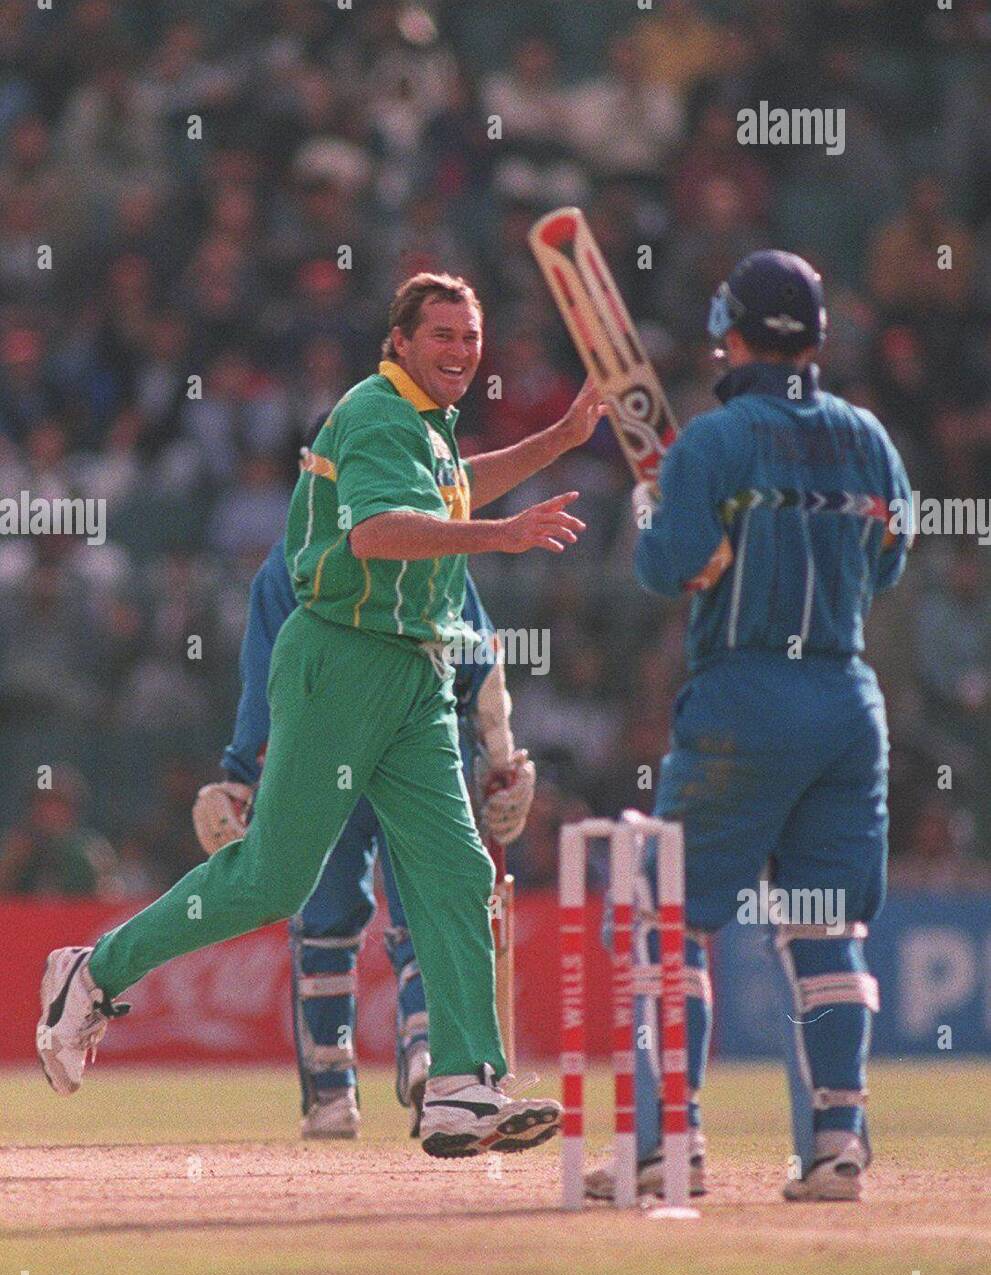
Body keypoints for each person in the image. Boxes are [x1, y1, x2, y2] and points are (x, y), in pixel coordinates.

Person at [37, 271, 602, 1161]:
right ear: (401, 342)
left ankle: (460, 1086)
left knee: (454, 869)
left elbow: (454, 484)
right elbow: (378, 532)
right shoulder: (379, 413)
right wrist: (502, 537)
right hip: (342, 657)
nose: (460, 350)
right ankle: (93, 971)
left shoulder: (423, 425)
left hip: (413, 671)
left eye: (470, 336)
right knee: (273, 881)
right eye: (442, 335)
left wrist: (563, 437)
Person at [588, 251, 911, 1202]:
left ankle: (663, 1148)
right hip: (849, 705)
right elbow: (888, 564)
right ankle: (836, 1150)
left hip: (745, 695)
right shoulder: (868, 437)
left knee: (666, 920)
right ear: (815, 336)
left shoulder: (716, 440)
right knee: (824, 926)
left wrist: (658, 515)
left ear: (727, 332)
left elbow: (668, 567)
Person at [193, 536, 534, 1140]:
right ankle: (418, 1058)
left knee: (344, 915)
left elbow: (264, 679)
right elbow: (482, 663)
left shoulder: (295, 558)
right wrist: (500, 759)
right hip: (413, 736)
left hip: (334, 741)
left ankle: (346, 1087)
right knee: (406, 905)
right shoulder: (408, 539)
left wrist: (240, 772)